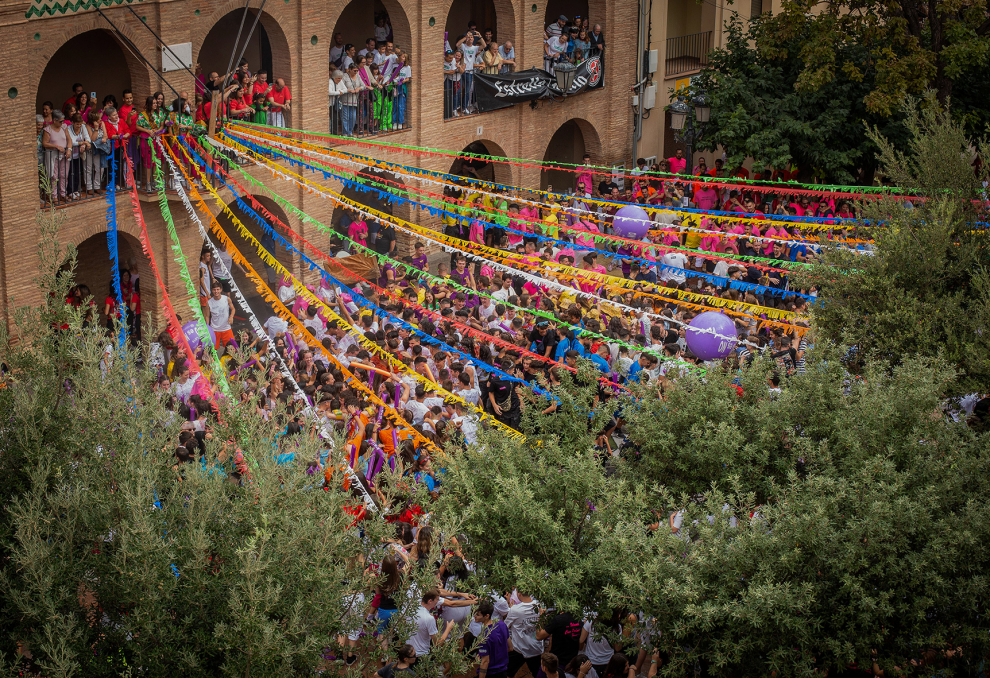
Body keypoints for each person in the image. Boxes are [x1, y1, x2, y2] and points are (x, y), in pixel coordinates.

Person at [406, 589, 456, 659]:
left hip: (407, 653)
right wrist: (448, 628)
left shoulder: (411, 610)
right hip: (421, 656)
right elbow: (438, 643)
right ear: (430, 601)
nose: (438, 602)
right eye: (437, 600)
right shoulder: (429, 618)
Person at [505, 590, 543, 678]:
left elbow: (505, 626)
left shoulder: (515, 610)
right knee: (539, 674)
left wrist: (511, 609)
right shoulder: (539, 605)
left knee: (508, 673)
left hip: (519, 648)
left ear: (519, 594)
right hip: (535, 648)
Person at [476, 599, 510, 678]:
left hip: (490, 673)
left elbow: (485, 662)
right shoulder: (502, 624)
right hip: (503, 671)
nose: (474, 616)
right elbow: (510, 647)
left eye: (478, 614)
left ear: (487, 616)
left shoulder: (484, 636)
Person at [41, 110, 70, 201]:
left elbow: (69, 139)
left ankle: (63, 193)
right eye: (60, 121)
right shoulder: (48, 129)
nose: (62, 123)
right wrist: (56, 146)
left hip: (64, 154)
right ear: (54, 120)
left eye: (63, 121)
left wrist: (69, 149)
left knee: (64, 174)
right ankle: (54, 196)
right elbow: (45, 143)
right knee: (54, 176)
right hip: (53, 155)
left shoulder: (64, 127)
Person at [206, 281, 236, 351]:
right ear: (212, 290)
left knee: (232, 348)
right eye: (214, 289)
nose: (216, 291)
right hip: (214, 329)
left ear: (221, 290)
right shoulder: (209, 303)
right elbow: (207, 316)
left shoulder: (226, 299)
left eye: (217, 289)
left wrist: (231, 317)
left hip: (226, 328)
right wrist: (207, 328)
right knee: (213, 350)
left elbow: (233, 309)